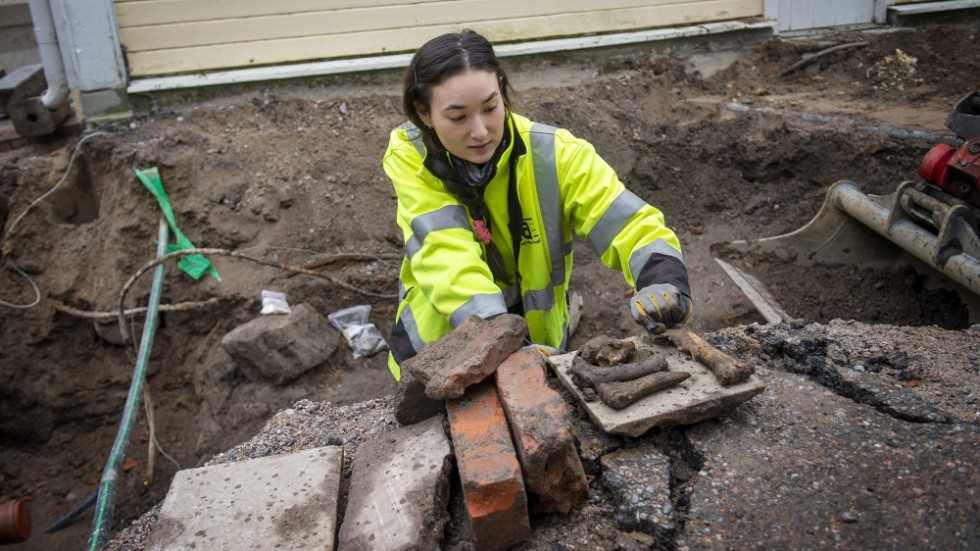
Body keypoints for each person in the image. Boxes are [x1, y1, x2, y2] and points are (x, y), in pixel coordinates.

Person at [382, 29, 692, 380]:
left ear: (502, 90)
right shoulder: (412, 157)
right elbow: (447, 255)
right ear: (424, 114)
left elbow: (625, 220)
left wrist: (662, 276)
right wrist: (499, 339)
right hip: (438, 358)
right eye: (458, 118)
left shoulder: (554, 154)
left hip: (539, 348)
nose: (481, 130)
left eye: (490, 107)